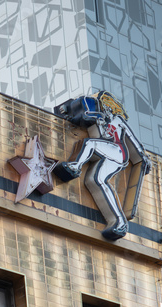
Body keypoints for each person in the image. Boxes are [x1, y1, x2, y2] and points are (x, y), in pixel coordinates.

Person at [54, 92, 152, 241]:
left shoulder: (118, 120)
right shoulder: (102, 119)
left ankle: (75, 166)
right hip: (110, 156)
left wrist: (143, 157)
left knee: (89, 143)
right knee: (96, 180)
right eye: (104, 106)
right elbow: (96, 127)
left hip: (118, 152)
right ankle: (119, 222)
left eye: (107, 106)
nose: (105, 109)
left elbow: (133, 140)